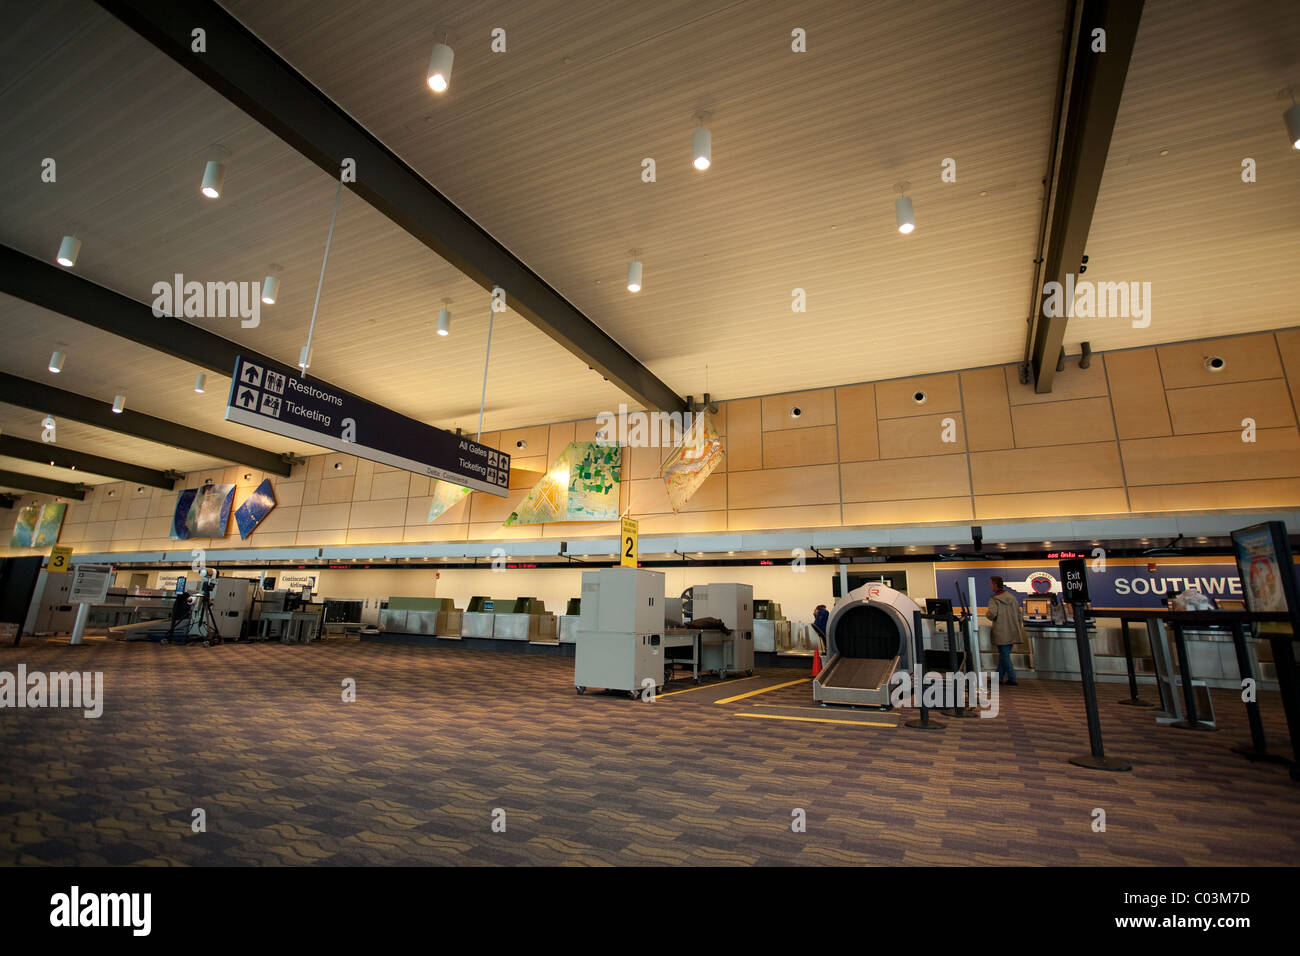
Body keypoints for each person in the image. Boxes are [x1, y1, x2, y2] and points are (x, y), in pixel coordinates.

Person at [984, 577, 1024, 685]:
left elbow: (992, 614)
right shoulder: (1012, 597)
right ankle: (999, 678)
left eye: (991, 583)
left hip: (1001, 631)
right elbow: (1019, 614)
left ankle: (1012, 678)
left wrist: (986, 614)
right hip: (1012, 630)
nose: (990, 585)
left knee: (1004, 656)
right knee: (1004, 655)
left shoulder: (994, 599)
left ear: (995, 584)